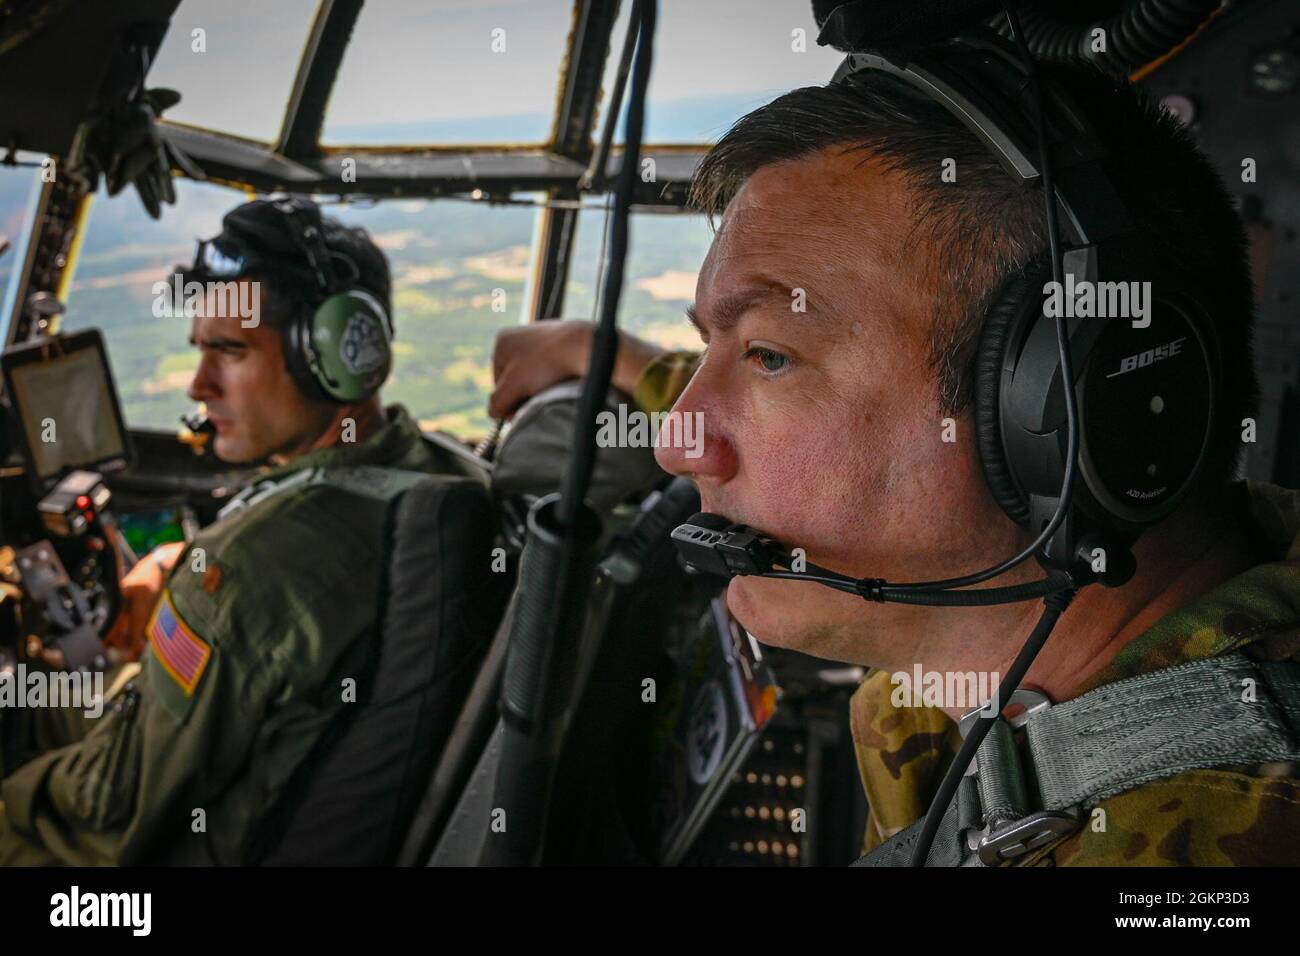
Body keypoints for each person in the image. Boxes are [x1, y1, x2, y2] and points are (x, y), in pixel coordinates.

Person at [489, 64, 1300, 865]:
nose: (678, 441)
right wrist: (611, 356)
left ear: (1068, 412)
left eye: (768, 356)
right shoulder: (978, 684)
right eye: (715, 347)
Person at [0, 198, 461, 864]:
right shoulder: (443, 473)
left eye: (230, 351)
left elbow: (102, 819)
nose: (197, 385)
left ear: (329, 354)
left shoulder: (242, 570)